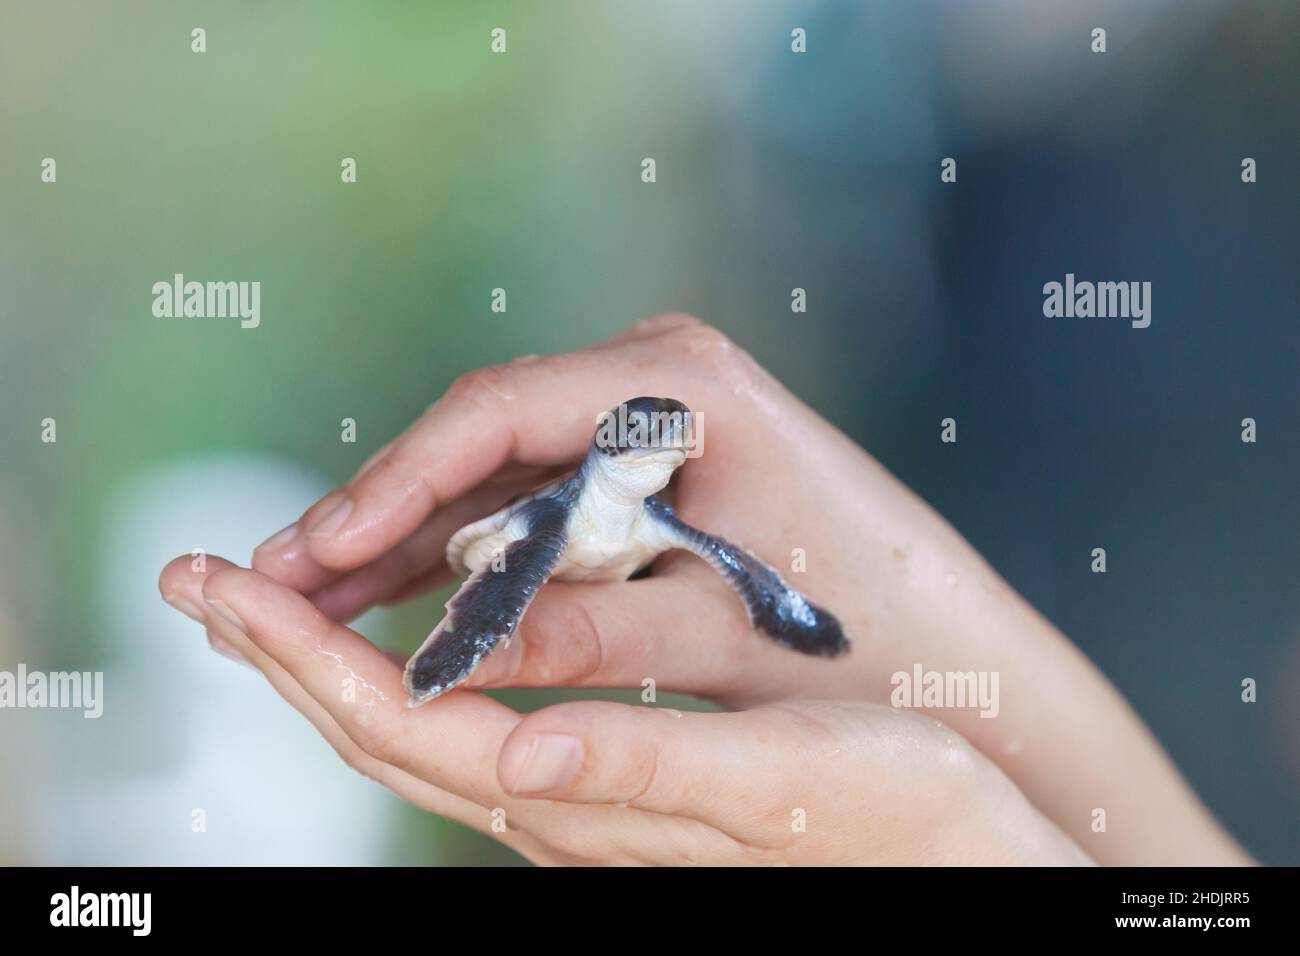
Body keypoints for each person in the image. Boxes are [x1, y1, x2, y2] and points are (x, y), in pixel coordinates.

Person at [158, 314, 1250, 865]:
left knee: (732, 582)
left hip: (605, 537)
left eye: (668, 436)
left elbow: (736, 564)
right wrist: (973, 660)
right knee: (516, 589)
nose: (667, 443)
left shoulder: (654, 514)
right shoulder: (565, 511)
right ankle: (461, 646)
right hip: (536, 531)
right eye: (647, 432)